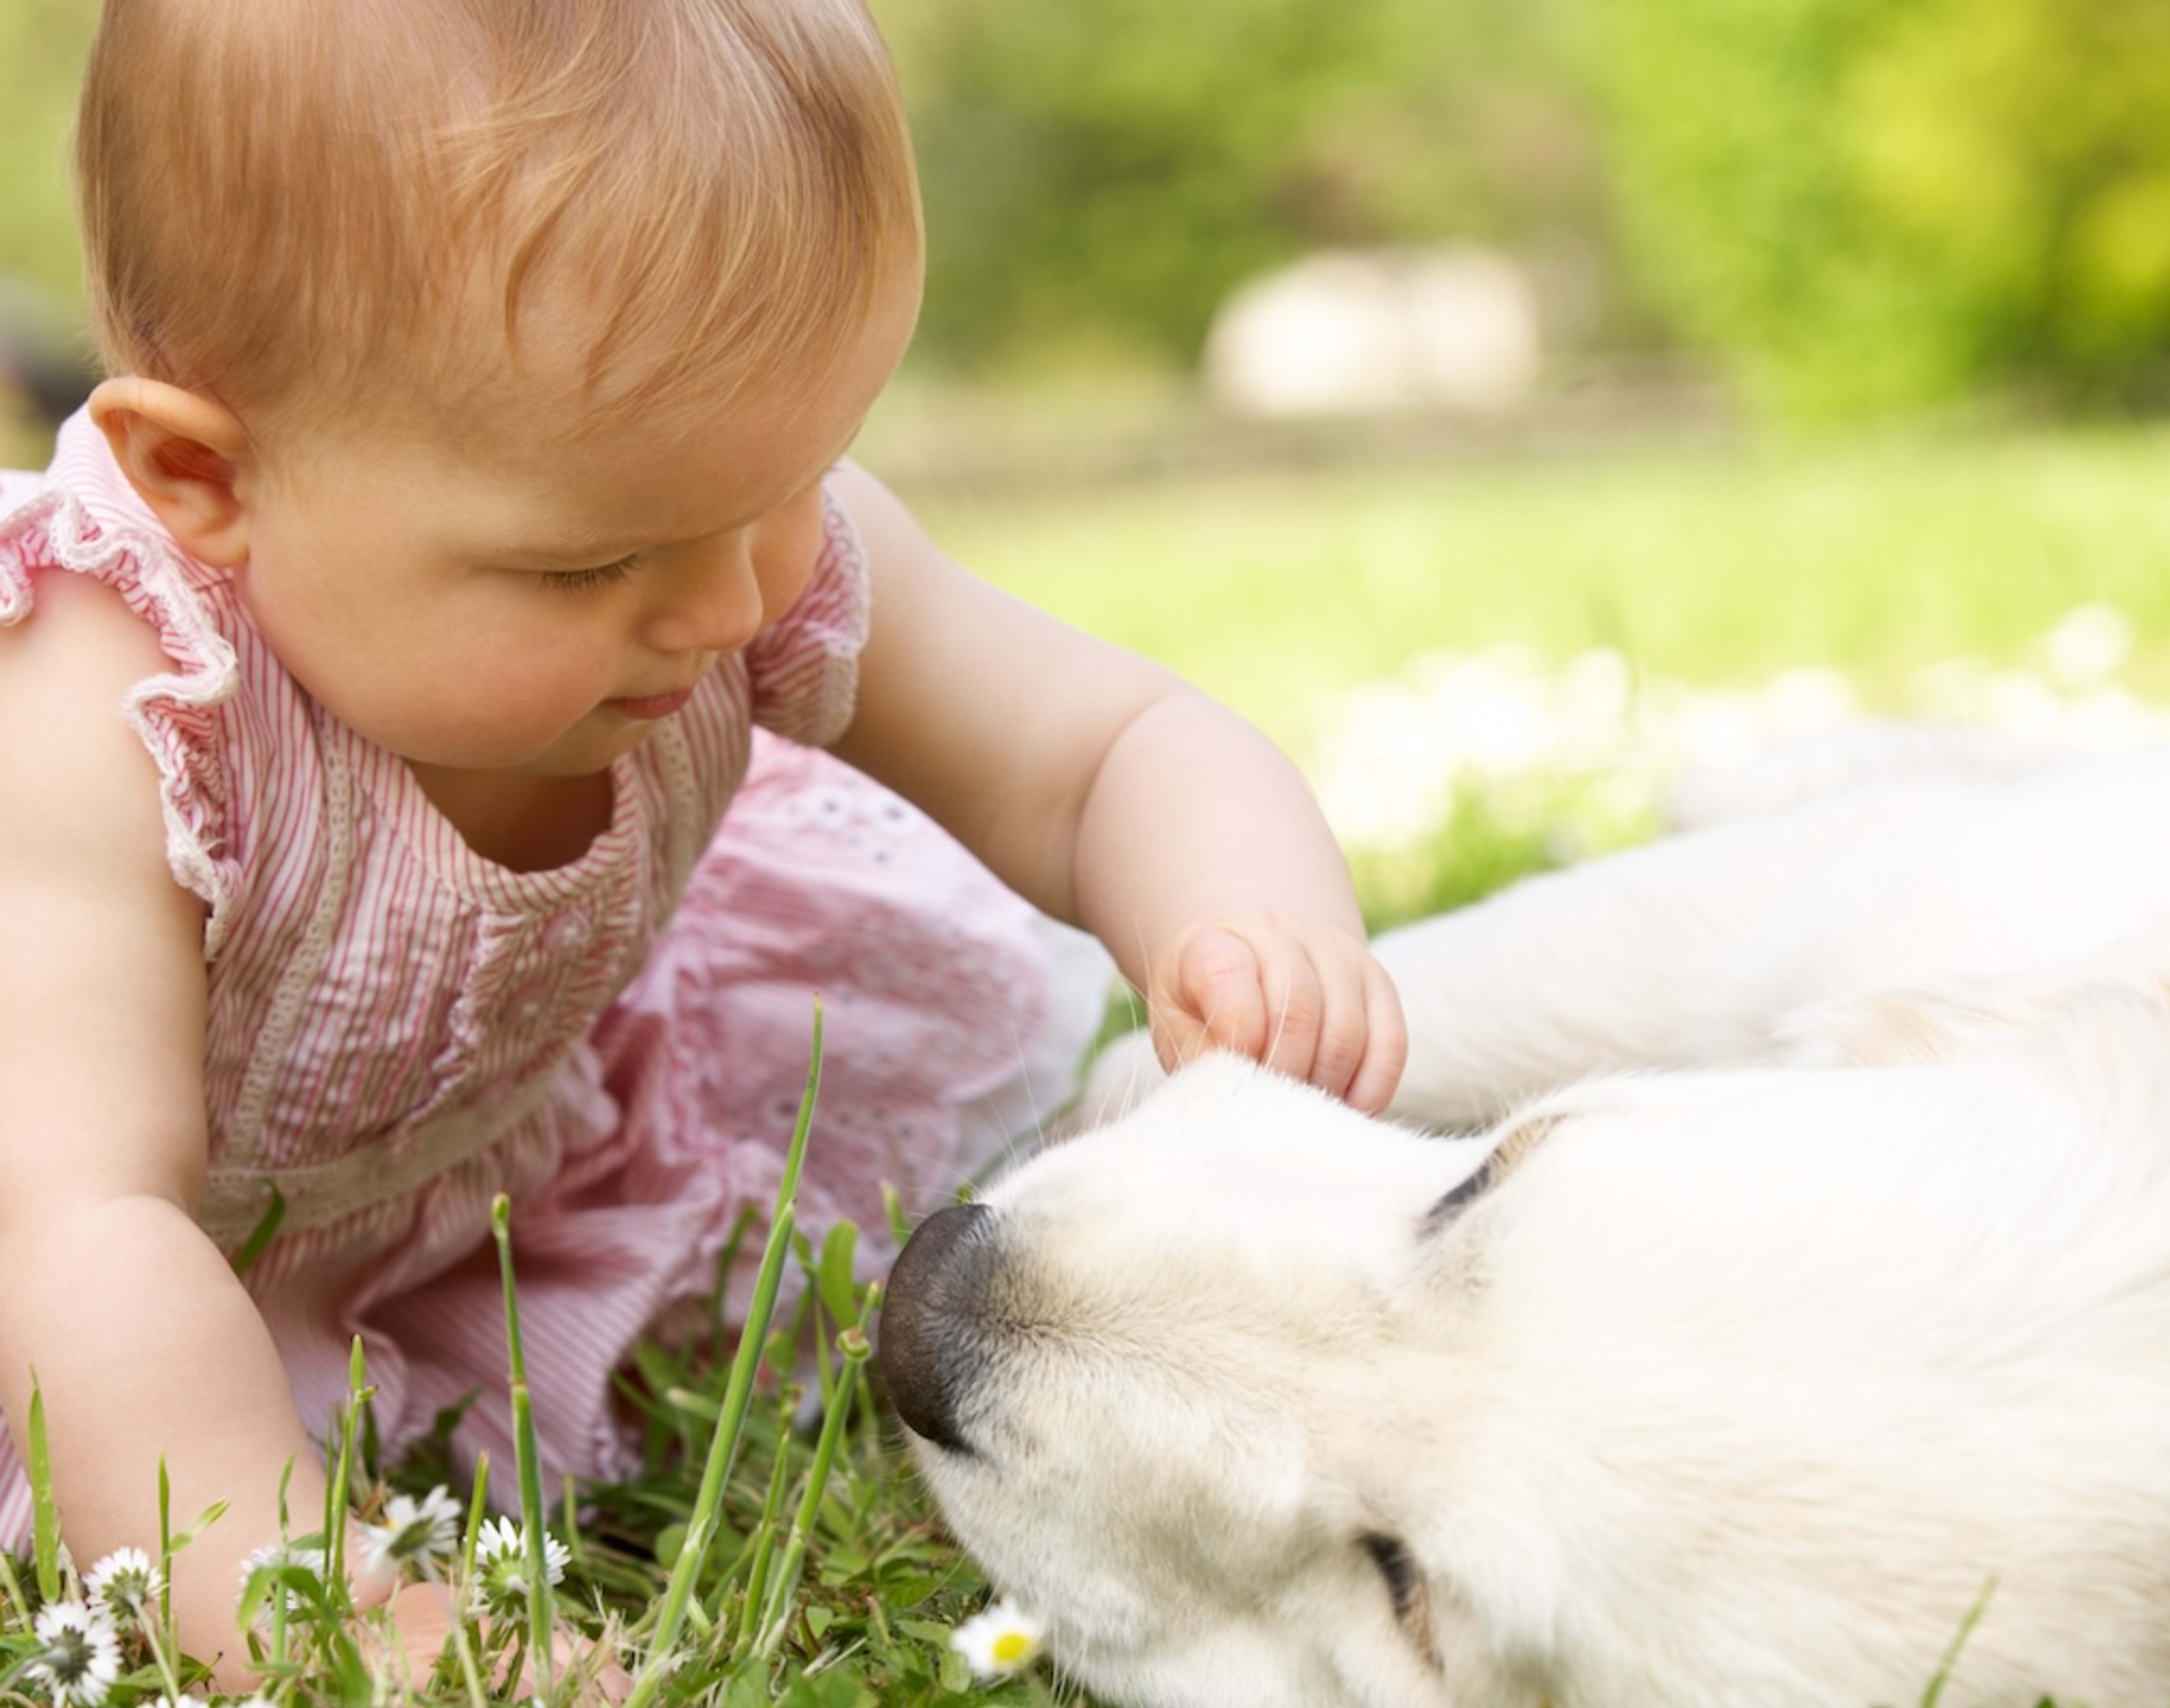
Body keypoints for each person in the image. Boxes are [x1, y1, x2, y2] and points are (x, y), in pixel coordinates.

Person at [0, 0, 1406, 1687]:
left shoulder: (720, 547)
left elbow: (1103, 746)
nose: (735, 604)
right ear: (200, 478)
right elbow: (79, 1227)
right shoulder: (108, 707)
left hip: (477, 1164)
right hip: (84, 1265)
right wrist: (314, 1607)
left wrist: (1247, 924)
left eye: (793, 480)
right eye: (594, 563)